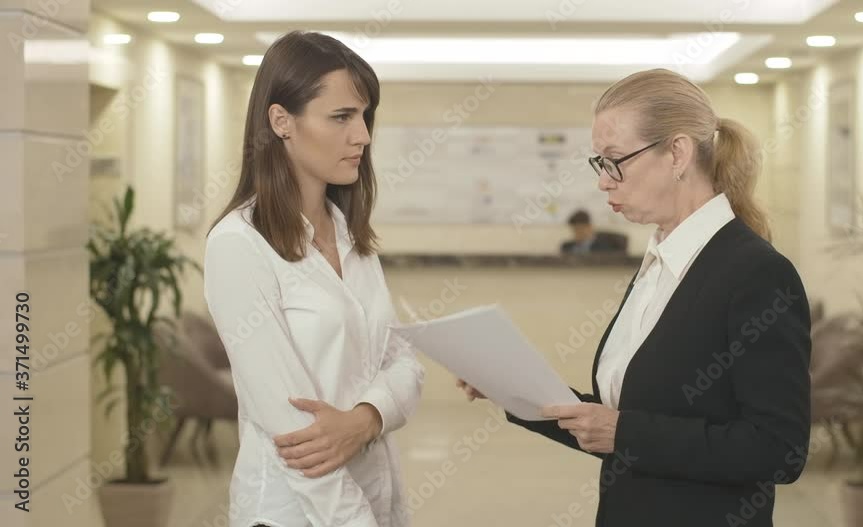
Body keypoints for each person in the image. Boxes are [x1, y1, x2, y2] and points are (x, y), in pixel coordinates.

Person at [459, 68, 811, 526]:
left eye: (615, 159)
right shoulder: (659, 262)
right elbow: (619, 422)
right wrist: (513, 391)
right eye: (599, 163)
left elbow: (778, 450)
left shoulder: (757, 273)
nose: (604, 181)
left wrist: (624, 432)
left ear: (677, 153)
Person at [203, 31, 423, 527]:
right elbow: (294, 433)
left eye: (364, 117)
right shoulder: (238, 245)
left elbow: (404, 362)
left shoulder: (350, 234)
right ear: (281, 121)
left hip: (377, 498)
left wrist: (365, 419)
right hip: (293, 513)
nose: (363, 136)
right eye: (342, 117)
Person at [560, 209, 628, 255]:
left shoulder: (605, 246)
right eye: (574, 230)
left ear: (589, 227)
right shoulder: (567, 247)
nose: (576, 233)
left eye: (579, 229)